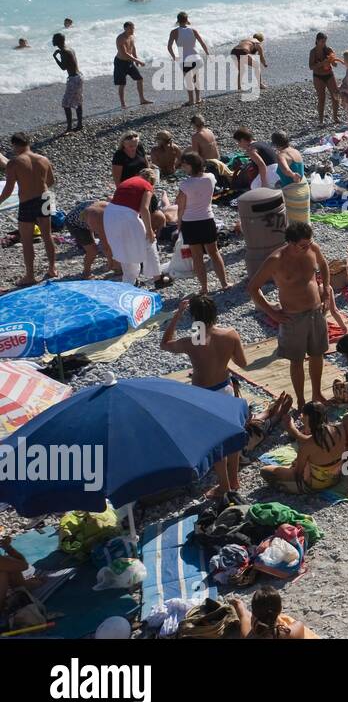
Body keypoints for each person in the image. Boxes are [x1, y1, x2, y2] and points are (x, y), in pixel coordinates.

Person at [248, 221, 345, 408]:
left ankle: (316, 393)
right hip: (292, 316)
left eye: (308, 243)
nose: (307, 247)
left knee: (318, 354)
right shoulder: (276, 259)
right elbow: (253, 287)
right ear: (291, 243)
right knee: (297, 360)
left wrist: (325, 289)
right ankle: (301, 400)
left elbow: (324, 265)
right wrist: (270, 311)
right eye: (302, 245)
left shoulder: (312, 248)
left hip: (316, 311)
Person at [161, 295, 247, 494]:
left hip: (204, 396)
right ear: (215, 313)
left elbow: (164, 344)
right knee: (232, 437)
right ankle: (234, 480)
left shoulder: (192, 341)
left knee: (216, 443)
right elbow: (242, 363)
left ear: (193, 317)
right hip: (226, 389)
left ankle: (224, 486)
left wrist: (177, 315)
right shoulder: (230, 334)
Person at [0, 132, 56, 285]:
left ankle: (30, 276)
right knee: (47, 235)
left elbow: (9, 189)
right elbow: (51, 181)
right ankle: (52, 269)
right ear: (28, 143)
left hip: (27, 202)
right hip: (45, 198)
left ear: (15, 145)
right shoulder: (43, 159)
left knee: (26, 240)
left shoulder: (14, 163)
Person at [260, 401, 346, 493]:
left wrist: (292, 467)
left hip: (316, 484)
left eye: (303, 415)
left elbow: (298, 473)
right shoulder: (340, 430)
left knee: (265, 471)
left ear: (308, 417)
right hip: (336, 478)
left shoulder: (307, 445)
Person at [104, 167, 166, 288]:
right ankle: (158, 278)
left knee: (125, 247)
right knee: (149, 242)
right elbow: (144, 209)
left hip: (110, 215)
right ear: (151, 181)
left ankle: (130, 282)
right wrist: (149, 231)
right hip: (127, 217)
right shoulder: (147, 186)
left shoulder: (126, 182)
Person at [175, 152, 227, 293]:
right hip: (207, 219)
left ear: (190, 165)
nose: (183, 168)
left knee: (197, 256)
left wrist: (179, 224)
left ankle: (204, 287)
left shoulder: (185, 184)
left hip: (190, 222)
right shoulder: (210, 177)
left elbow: (180, 205)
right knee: (214, 253)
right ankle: (224, 283)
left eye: (184, 165)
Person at [232, 586, 320, 639]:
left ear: (254, 613)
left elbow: (243, 615)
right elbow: (298, 624)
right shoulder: (292, 633)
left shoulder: (247, 635)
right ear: (280, 609)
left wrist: (238, 603)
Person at [167, 12, 209, 106]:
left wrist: (174, 57)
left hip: (185, 59)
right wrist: (207, 53)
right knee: (196, 79)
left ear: (177, 20)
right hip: (197, 58)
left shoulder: (174, 32)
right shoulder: (193, 30)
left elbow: (169, 46)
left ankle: (191, 100)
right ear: (187, 20)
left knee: (188, 80)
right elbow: (202, 43)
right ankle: (198, 99)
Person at [50, 33, 83, 133]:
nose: (52, 40)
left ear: (58, 41)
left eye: (54, 39)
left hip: (73, 79)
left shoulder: (64, 51)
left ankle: (69, 127)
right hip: (79, 76)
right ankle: (79, 124)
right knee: (78, 101)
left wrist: (55, 57)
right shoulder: (69, 49)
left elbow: (63, 67)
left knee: (65, 103)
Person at [113, 21, 150, 108]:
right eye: (131, 28)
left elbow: (133, 48)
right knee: (122, 84)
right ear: (125, 28)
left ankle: (142, 99)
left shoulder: (132, 37)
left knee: (140, 79)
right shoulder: (120, 38)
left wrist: (136, 59)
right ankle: (123, 104)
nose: (133, 29)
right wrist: (138, 61)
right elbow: (124, 53)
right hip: (120, 63)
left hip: (129, 62)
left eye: (133, 28)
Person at [309, 32, 340, 124]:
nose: (324, 43)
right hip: (318, 76)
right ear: (317, 41)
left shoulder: (328, 49)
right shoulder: (313, 52)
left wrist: (332, 60)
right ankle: (321, 120)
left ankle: (335, 117)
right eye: (322, 41)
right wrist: (322, 63)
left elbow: (335, 65)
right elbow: (311, 67)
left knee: (336, 95)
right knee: (321, 98)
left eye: (325, 41)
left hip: (329, 75)